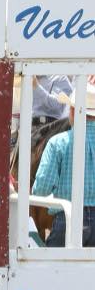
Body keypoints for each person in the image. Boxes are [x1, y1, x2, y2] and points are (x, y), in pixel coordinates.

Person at [32, 77, 95, 247]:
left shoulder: (58, 143)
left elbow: (41, 189)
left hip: (67, 220)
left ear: (73, 111)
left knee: (52, 271)